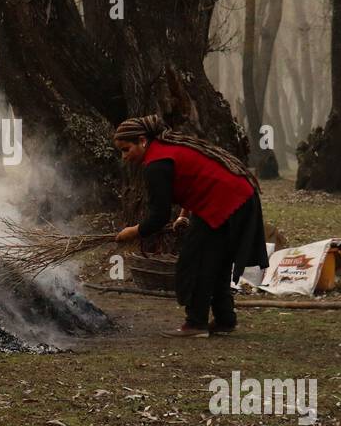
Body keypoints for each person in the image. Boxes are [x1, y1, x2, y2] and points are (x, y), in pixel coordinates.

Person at [112, 115, 268, 339]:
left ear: (142, 140)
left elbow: (158, 216)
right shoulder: (167, 148)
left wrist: (132, 232)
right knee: (216, 260)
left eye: (126, 149)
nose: (124, 157)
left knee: (195, 261)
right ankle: (225, 320)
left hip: (227, 201)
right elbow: (193, 180)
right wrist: (184, 215)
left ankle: (196, 324)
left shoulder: (156, 164)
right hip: (239, 197)